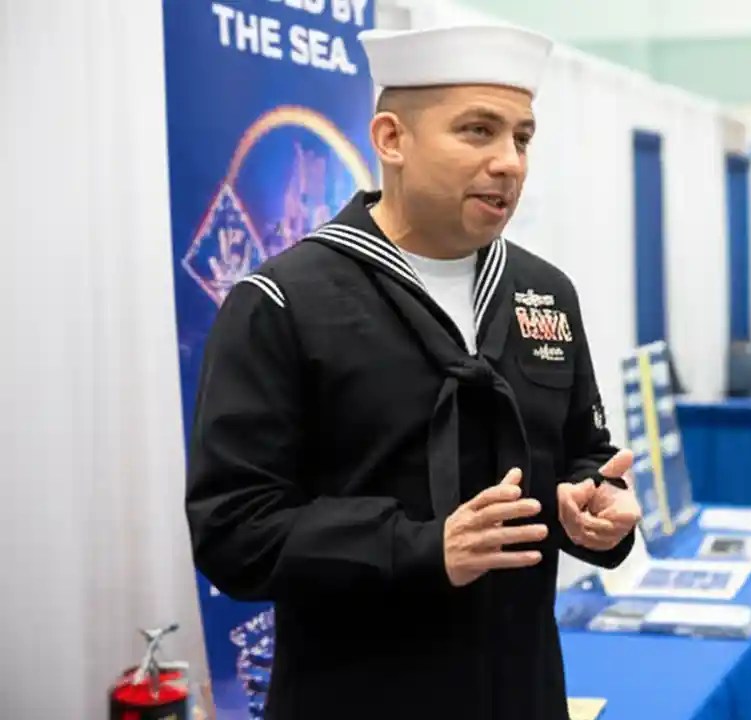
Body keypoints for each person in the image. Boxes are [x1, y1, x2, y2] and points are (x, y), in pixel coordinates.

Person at [184, 25, 641, 720]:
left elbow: (583, 449)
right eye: (478, 131)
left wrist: (594, 502)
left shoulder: (543, 292)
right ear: (392, 139)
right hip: (356, 696)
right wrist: (421, 549)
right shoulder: (283, 304)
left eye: (521, 138)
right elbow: (233, 531)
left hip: (524, 691)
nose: (509, 162)